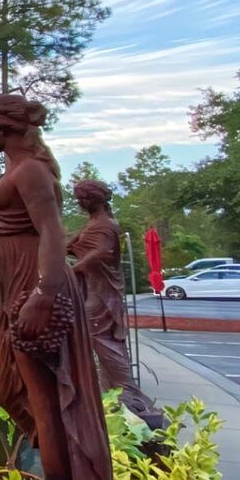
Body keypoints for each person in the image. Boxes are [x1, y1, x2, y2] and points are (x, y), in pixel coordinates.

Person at [0, 93, 122, 480]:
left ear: (6, 127)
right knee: (7, 387)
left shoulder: (31, 171)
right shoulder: (17, 171)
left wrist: (45, 293)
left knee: (48, 399)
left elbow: (52, 232)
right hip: (15, 292)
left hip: (33, 291)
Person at [68, 180, 166, 430]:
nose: (79, 203)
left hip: (102, 294)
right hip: (92, 288)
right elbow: (72, 245)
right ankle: (111, 394)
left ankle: (127, 391)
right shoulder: (94, 224)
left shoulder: (105, 225)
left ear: (94, 199)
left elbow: (100, 253)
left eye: (81, 198)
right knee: (98, 340)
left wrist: (73, 270)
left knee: (102, 339)